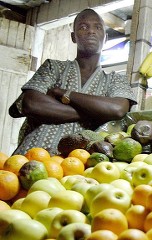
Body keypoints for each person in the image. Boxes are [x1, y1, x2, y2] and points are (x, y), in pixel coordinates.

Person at [10, 8, 137, 155]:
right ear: (73, 37)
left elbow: (117, 109)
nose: (91, 31)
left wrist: (64, 93)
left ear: (105, 37)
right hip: (31, 155)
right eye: (83, 27)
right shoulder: (53, 67)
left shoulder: (115, 79)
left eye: (97, 27)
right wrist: (97, 112)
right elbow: (31, 103)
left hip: (80, 165)